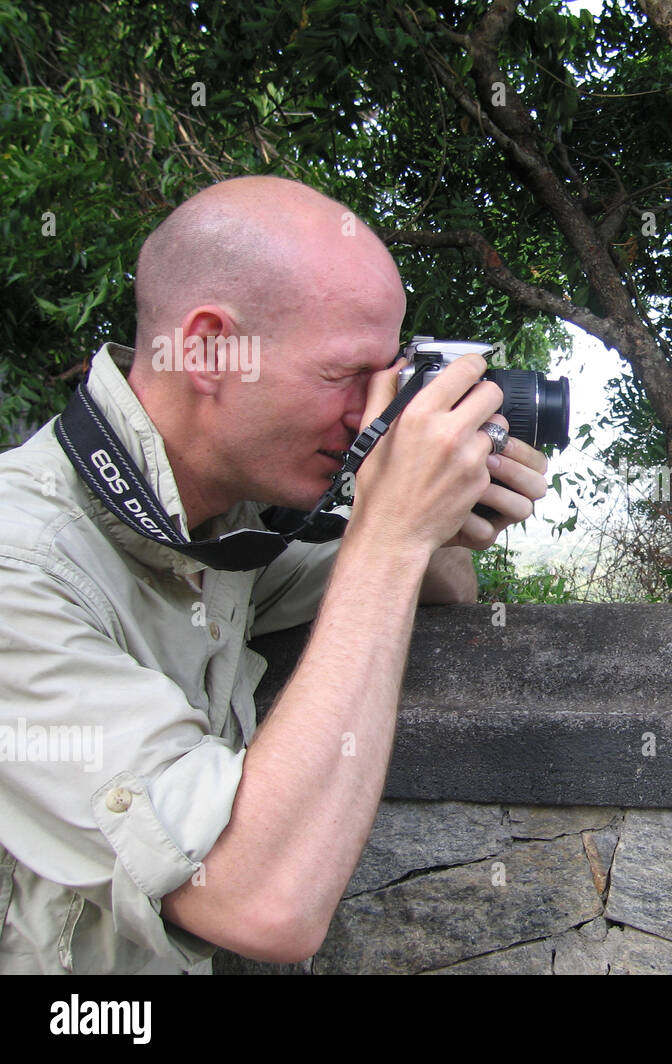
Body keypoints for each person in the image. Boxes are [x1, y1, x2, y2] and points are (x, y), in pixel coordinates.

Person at [0, 176, 548, 973]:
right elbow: (263, 901)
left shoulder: (214, 527)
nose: (372, 414)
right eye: (345, 377)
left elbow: (446, 583)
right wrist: (389, 539)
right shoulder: (22, 562)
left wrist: (445, 499)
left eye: (389, 377)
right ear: (208, 349)